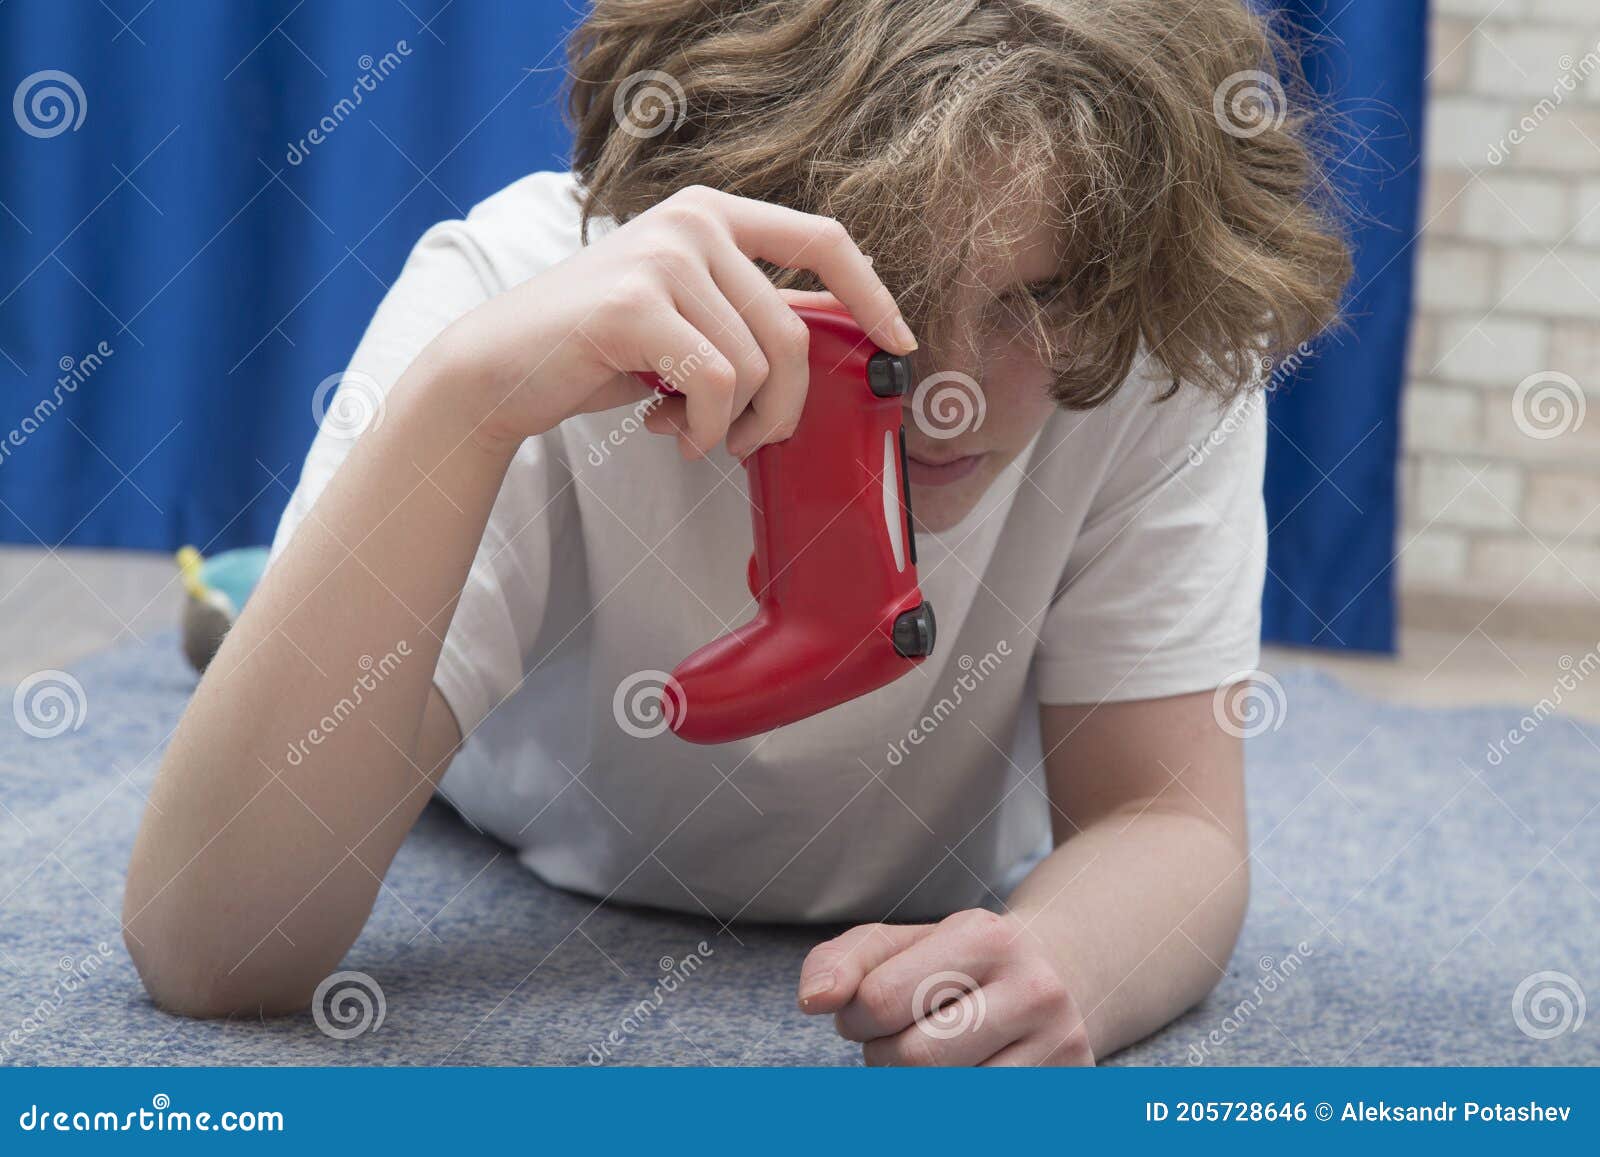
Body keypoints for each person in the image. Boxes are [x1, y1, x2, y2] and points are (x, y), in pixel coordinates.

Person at [124, 0, 1350, 1066]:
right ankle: (260, 601)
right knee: (303, 674)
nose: (953, 390)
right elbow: (209, 950)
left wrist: (1061, 957)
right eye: (887, 295)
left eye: (1038, 296)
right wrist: (459, 409)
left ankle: (258, 599)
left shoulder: (1154, 323)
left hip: (945, 859)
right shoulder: (518, 287)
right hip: (488, 782)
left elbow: (1169, 818)